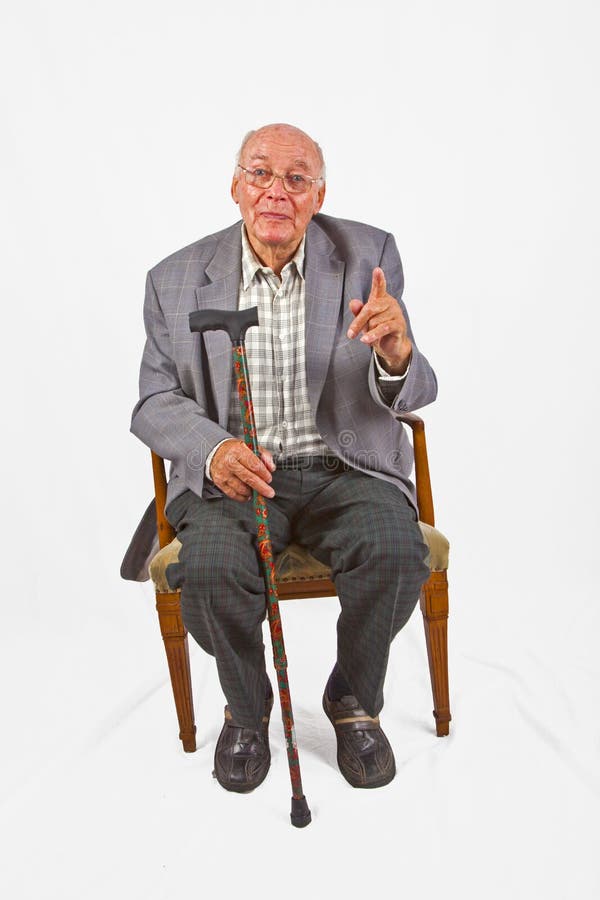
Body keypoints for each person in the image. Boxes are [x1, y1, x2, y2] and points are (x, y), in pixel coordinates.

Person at [128, 123, 437, 794]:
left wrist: (397, 355)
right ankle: (247, 707)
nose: (278, 191)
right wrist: (214, 448)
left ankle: (354, 700)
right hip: (236, 481)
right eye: (262, 173)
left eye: (298, 179)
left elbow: (418, 389)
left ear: (319, 194)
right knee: (205, 568)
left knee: (395, 550)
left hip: (341, 469)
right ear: (235, 186)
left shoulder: (367, 255)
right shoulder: (174, 281)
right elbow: (154, 401)